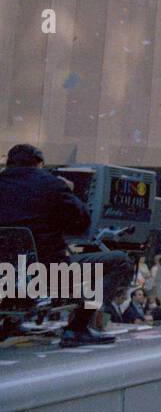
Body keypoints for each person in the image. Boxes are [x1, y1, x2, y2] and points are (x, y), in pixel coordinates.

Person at [0, 144, 132, 347]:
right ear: (39, 163)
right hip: (48, 275)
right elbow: (82, 222)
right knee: (120, 262)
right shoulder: (52, 184)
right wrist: (70, 191)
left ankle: (10, 321)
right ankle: (77, 329)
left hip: (5, 275)